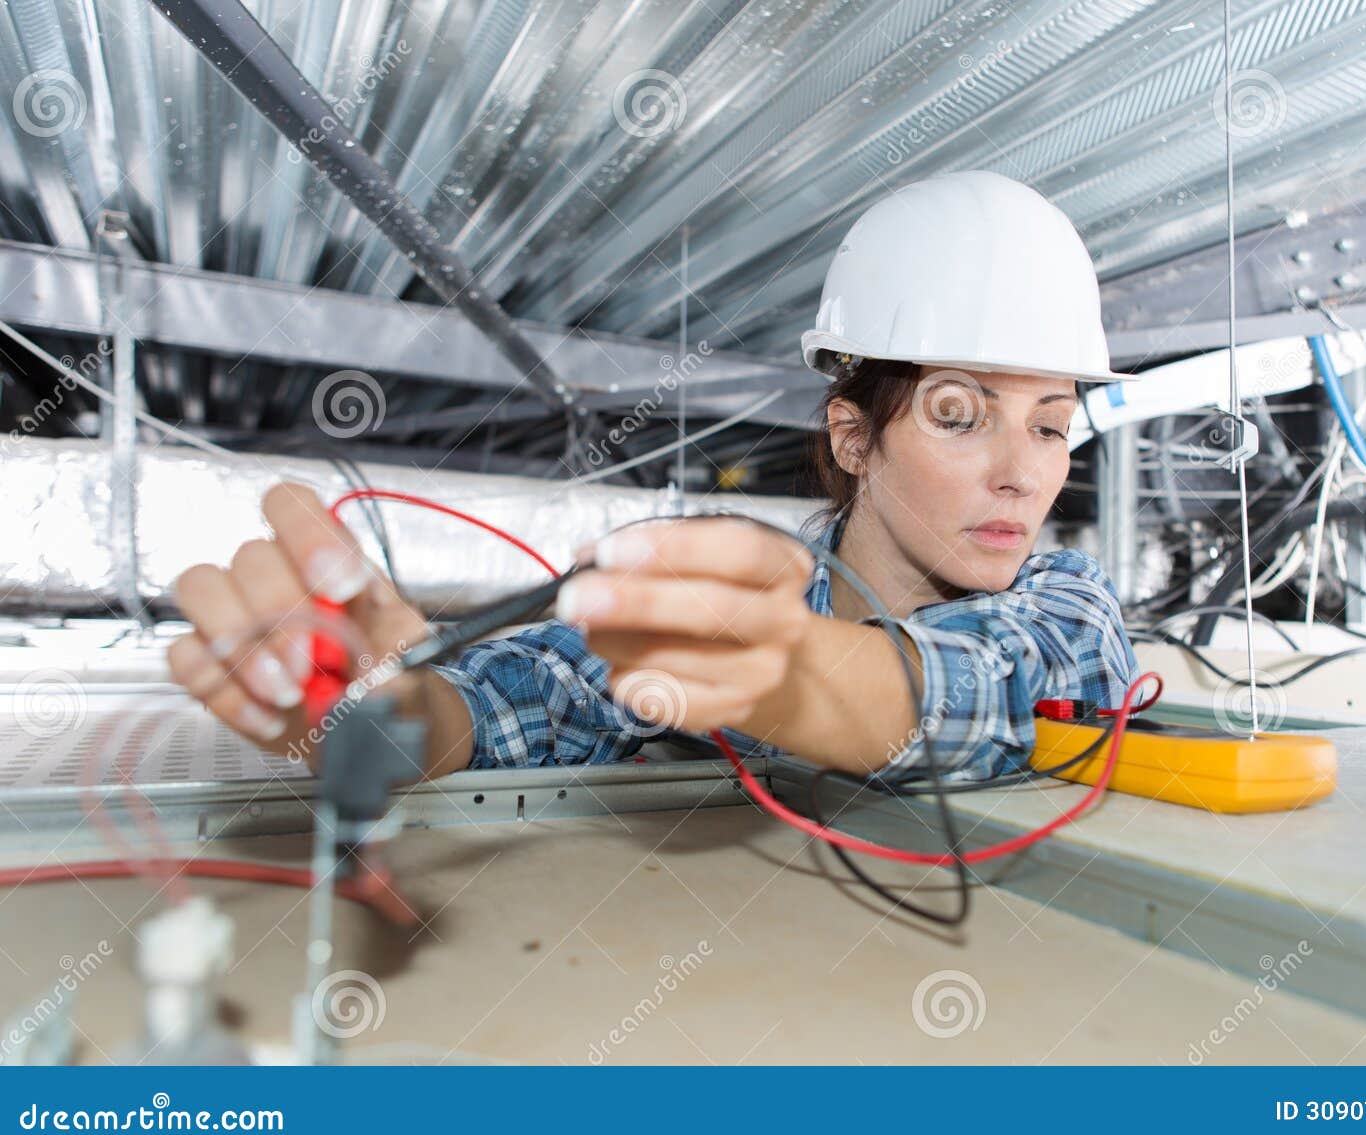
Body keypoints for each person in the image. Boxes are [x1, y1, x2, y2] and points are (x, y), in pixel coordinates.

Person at [165, 170, 1138, 786]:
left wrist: (780, 670)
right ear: (853, 438)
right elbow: (530, 695)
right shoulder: (728, 596)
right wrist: (391, 706)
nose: (1022, 474)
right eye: (962, 417)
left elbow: (984, 683)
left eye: (1052, 428)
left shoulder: (1066, 608)